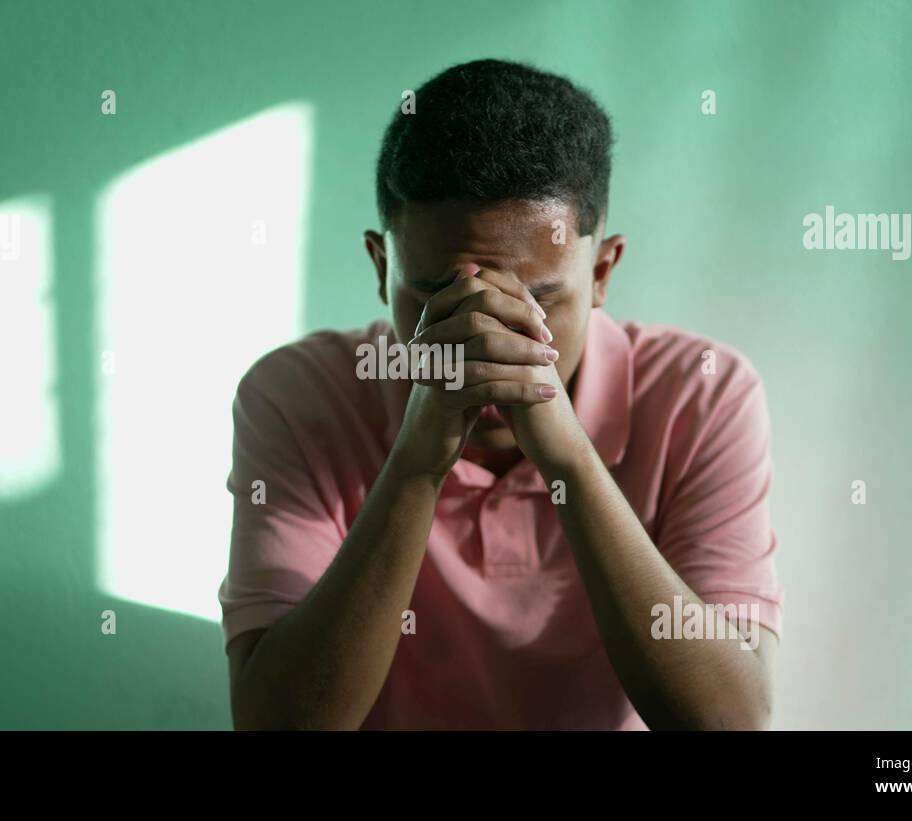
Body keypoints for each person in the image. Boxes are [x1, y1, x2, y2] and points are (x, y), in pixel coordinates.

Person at [219, 58, 782, 730]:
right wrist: (418, 457)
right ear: (380, 267)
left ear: (602, 273)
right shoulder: (297, 396)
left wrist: (568, 454)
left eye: (538, 302)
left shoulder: (702, 396)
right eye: (438, 298)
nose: (485, 336)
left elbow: (731, 723)